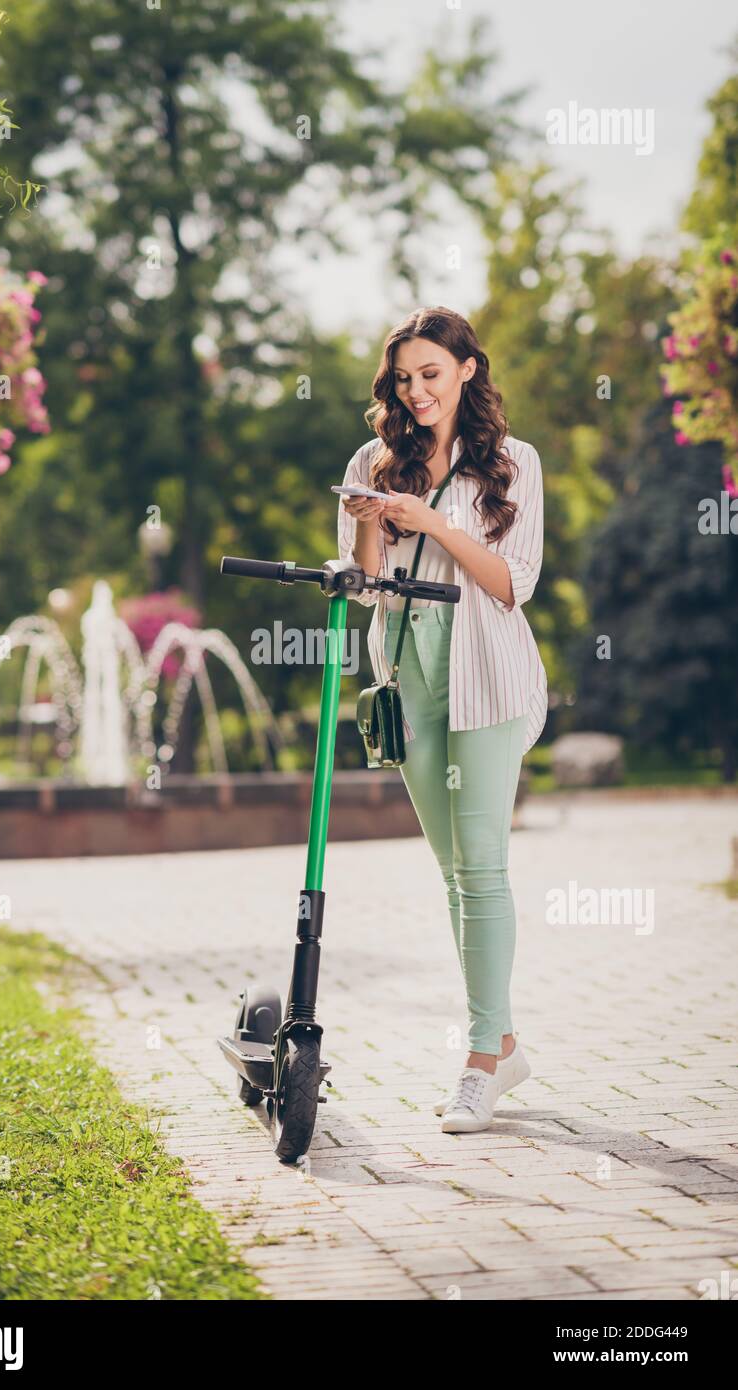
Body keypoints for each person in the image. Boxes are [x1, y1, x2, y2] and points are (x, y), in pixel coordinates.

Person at [337, 305, 547, 1134]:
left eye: (431, 373)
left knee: (485, 867)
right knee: (455, 870)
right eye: (403, 378)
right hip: (409, 674)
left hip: (488, 673)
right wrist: (366, 534)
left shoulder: (515, 463)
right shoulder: (373, 459)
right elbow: (367, 583)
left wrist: (434, 522)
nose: (416, 391)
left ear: (467, 369)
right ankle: (502, 1040)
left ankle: (482, 1059)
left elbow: (512, 582)